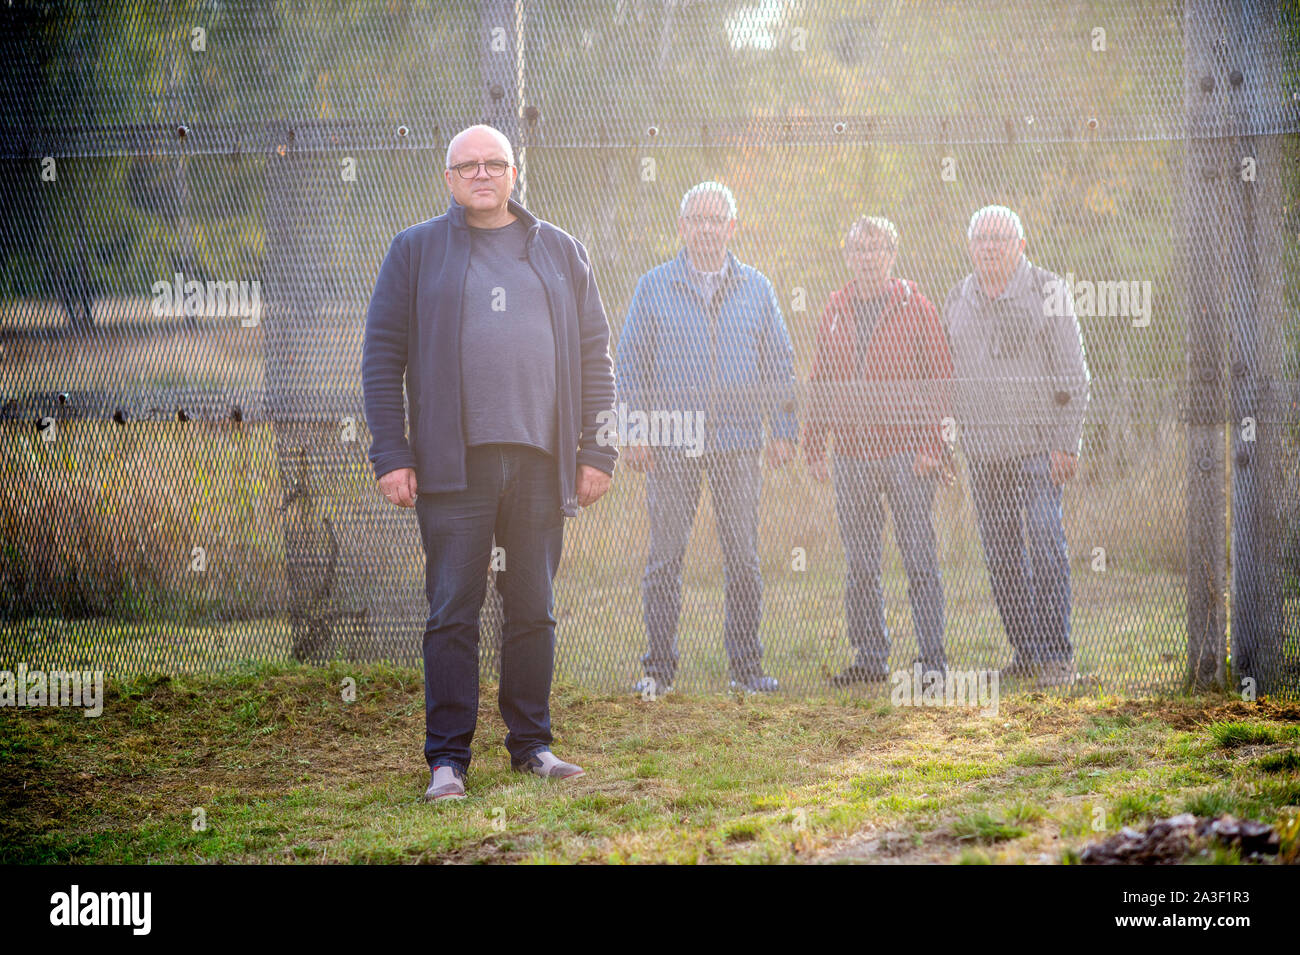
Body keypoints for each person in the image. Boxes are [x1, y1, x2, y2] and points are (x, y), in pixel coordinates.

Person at [361, 124, 617, 800]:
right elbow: (382, 358)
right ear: (449, 178)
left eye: (493, 163)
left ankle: (532, 745)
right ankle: (448, 760)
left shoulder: (561, 251)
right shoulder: (415, 251)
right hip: (453, 467)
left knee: (533, 605)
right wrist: (391, 451)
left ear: (513, 172)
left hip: (541, 462)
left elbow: (597, 356)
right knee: (452, 608)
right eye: (467, 165)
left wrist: (597, 449)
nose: (481, 174)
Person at [616, 181, 797, 695]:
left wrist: (783, 430)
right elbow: (629, 364)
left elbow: (779, 364)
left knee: (742, 556)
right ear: (682, 227)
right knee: (665, 557)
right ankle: (658, 670)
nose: (708, 228)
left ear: (732, 228)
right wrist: (633, 430)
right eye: (698, 219)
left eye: (717, 220)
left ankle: (745, 669)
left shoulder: (757, 288)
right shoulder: (653, 286)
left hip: (739, 442)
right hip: (672, 442)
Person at [942, 205, 1090, 688]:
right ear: (970, 247)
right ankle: (1026, 652)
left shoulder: (1048, 291)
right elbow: (945, 383)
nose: (990, 247)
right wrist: (946, 442)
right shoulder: (957, 299)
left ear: (1020, 245)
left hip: (1037, 449)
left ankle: (1056, 656)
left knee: (1046, 544)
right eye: (981, 238)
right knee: (1002, 552)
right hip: (984, 453)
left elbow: (1073, 375)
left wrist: (1065, 442)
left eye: (1000, 238)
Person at [804, 216, 954, 687]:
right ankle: (871, 659)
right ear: (847, 256)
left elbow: (943, 382)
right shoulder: (835, 310)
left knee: (918, 559)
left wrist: (935, 443)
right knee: (861, 564)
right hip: (852, 456)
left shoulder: (918, 307)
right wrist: (813, 445)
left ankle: (932, 664)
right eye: (859, 249)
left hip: (907, 454)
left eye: (877, 248)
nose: (868, 257)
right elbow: (820, 381)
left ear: (892, 254)